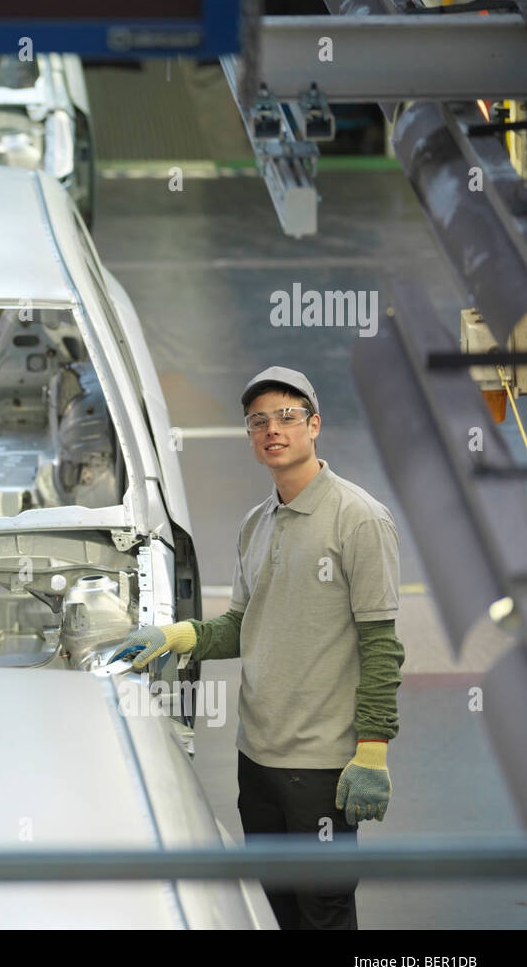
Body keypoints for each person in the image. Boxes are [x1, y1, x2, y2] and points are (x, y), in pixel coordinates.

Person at [107, 366, 404, 930]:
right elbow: (245, 625)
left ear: (314, 426)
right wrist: (180, 635)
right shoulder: (256, 523)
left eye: (287, 417)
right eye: (258, 421)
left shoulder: (360, 519)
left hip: (321, 764)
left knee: (324, 909)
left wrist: (372, 749)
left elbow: (382, 648)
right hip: (258, 756)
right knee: (276, 906)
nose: (273, 429)